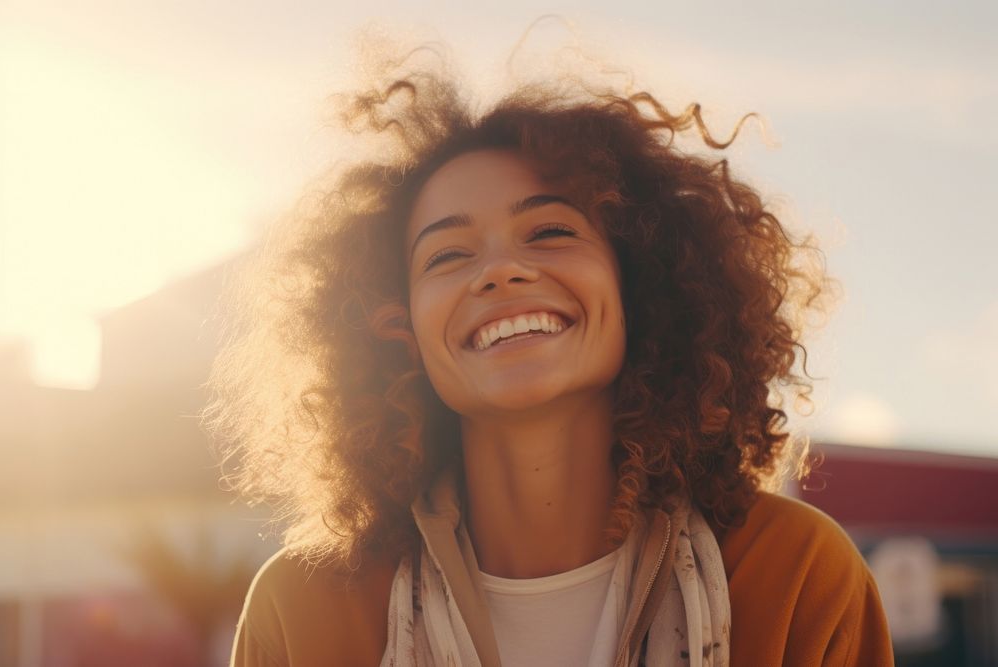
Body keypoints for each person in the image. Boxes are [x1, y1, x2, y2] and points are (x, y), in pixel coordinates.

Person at [209, 38, 894, 667]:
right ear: (399, 330)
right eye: (448, 253)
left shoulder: (796, 574)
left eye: (550, 231)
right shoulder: (304, 610)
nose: (500, 271)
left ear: (638, 284)